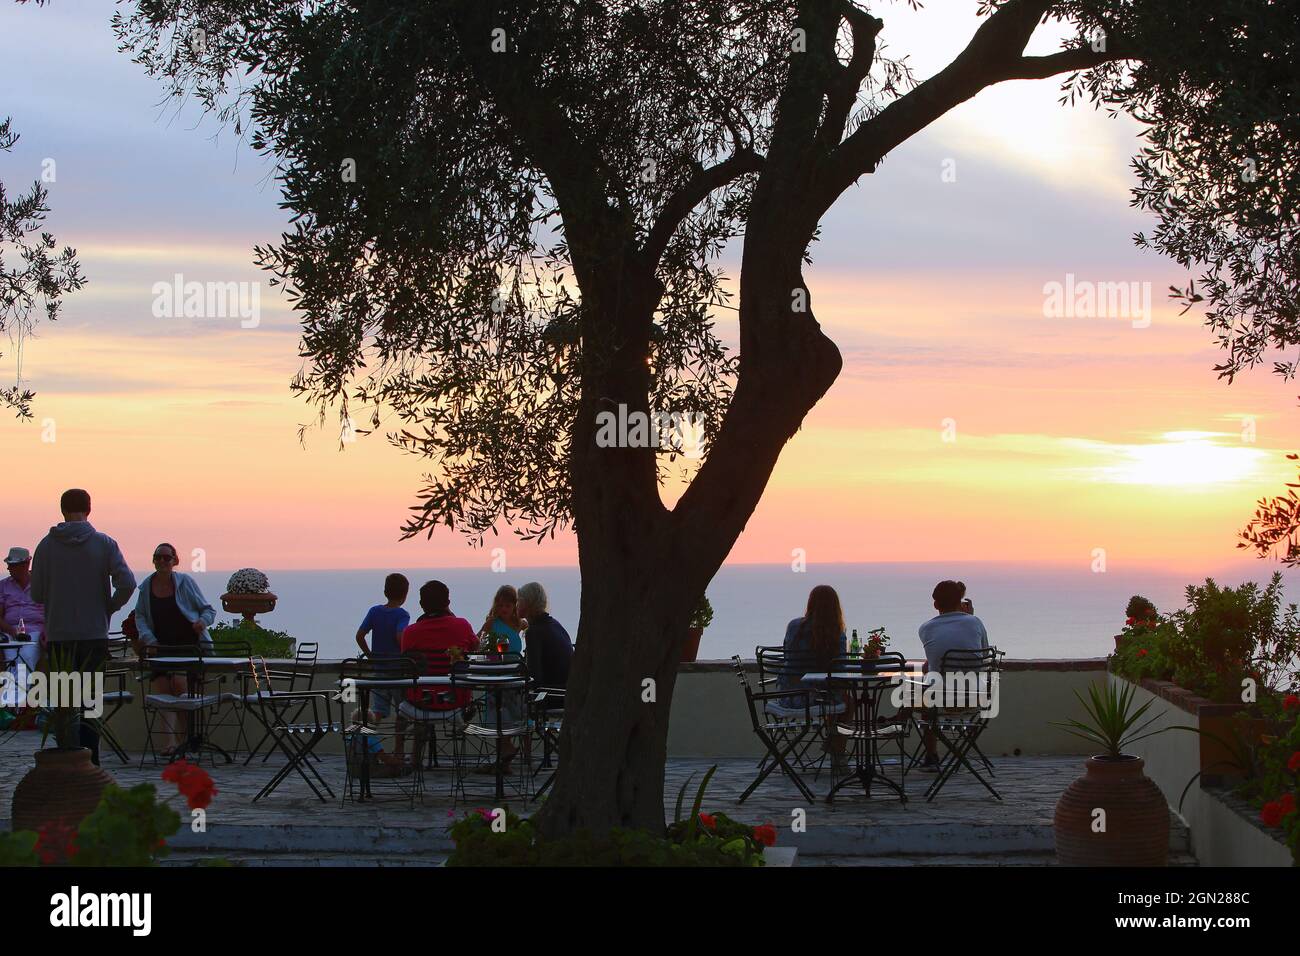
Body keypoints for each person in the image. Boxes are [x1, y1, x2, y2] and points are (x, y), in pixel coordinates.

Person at [30, 489, 136, 764]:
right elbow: (127, 583)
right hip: (93, 635)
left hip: (59, 636)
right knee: (90, 703)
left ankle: (67, 762)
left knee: (65, 704)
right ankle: (91, 765)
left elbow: (37, 594)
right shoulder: (104, 543)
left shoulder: (45, 546)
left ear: (62, 510)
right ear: (89, 509)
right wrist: (108, 607)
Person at [132, 543, 217, 756]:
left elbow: (208, 610)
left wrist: (201, 622)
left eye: (166, 558)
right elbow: (140, 616)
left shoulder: (185, 583)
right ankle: (170, 743)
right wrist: (148, 639)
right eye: (157, 557)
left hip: (187, 647)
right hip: (161, 648)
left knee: (180, 686)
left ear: (175, 561)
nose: (161, 561)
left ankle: (186, 740)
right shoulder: (146, 587)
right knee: (162, 689)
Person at [394, 580, 478, 763]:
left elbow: (407, 663)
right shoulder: (462, 626)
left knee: (409, 702)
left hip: (419, 702)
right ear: (448, 602)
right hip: (454, 701)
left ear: (422, 605)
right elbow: (475, 648)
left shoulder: (411, 632)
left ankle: (399, 756)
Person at [912, 579, 990, 771]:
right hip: (975, 698)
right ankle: (950, 754)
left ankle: (932, 757)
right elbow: (985, 655)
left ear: (935, 604)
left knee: (921, 694)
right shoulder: (975, 622)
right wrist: (970, 616)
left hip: (940, 700)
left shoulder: (926, 628)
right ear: (960, 602)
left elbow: (934, 660)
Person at [778, 585, 849, 766]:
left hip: (787, 696)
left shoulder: (793, 626)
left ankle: (834, 746)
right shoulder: (836, 634)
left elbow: (787, 657)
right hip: (812, 699)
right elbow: (839, 670)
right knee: (847, 702)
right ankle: (837, 752)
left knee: (832, 697)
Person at [355, 573, 411, 719]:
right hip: (398, 670)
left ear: (385, 592)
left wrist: (370, 656)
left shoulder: (374, 612)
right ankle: (399, 742)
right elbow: (400, 637)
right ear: (405, 595)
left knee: (378, 711)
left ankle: (367, 738)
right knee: (403, 710)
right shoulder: (402, 614)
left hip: (379, 670)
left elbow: (359, 636)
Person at [0, 547, 43, 705]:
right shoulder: (3, 586)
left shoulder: (41, 585)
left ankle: (13, 704)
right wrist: (12, 631)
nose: (9, 568)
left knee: (26, 656)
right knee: (12, 659)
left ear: (26, 564)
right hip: (10, 632)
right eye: (9, 565)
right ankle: (17, 704)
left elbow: (51, 613)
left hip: (34, 631)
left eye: (13, 565)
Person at [518, 581, 572, 697]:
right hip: (566, 692)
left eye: (520, 600)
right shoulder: (554, 624)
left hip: (551, 695)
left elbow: (534, 677)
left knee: (507, 697)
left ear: (528, 603)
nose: (517, 604)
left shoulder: (534, 632)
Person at [478, 584, 522, 655]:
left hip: (515, 664)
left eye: (508, 606)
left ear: (514, 606)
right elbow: (476, 641)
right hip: (496, 664)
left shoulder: (519, 623)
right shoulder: (491, 622)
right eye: (500, 605)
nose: (504, 609)